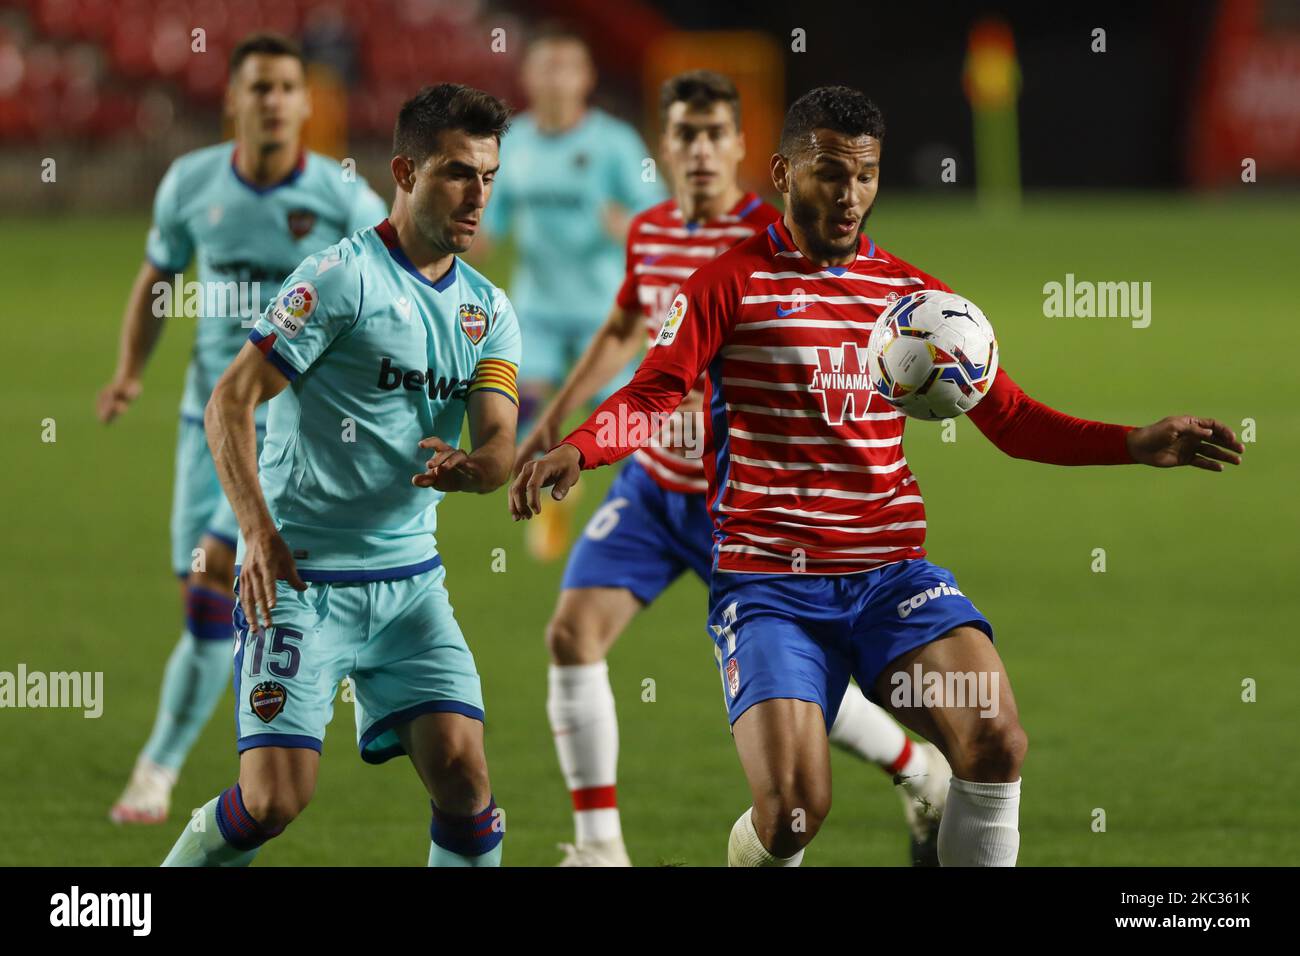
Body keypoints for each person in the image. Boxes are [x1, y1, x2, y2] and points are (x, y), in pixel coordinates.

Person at [511, 85, 1244, 866]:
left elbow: (1014, 420)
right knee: (793, 813)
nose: (850, 193)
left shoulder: (915, 303)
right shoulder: (727, 283)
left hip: (892, 581)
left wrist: (1132, 441)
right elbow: (656, 390)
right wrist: (580, 447)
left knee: (995, 741)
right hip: (770, 588)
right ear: (784, 174)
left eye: (866, 175)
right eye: (831, 172)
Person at [517, 71, 950, 867]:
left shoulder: (779, 233)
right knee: (571, 635)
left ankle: (914, 765)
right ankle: (600, 848)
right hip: (651, 487)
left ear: (747, 149)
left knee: (798, 682)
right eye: (686, 133)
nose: (702, 150)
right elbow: (626, 329)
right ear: (664, 145)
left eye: (717, 134)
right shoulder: (648, 233)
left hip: (740, 503)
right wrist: (565, 419)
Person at [162, 83, 519, 866]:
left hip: (410, 583)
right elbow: (231, 401)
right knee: (271, 801)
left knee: (465, 777)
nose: (477, 196)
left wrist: (475, 472)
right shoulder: (338, 279)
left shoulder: (487, 310)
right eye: (459, 173)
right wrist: (255, 533)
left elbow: (498, 441)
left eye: (489, 177)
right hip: (298, 578)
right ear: (404, 169)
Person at [98, 32, 387, 825]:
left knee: (214, 580)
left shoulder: (342, 199)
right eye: (257, 87)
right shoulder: (190, 184)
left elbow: (393, 281)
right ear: (234, 99)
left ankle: (162, 771)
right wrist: (129, 371)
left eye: (286, 87)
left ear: (304, 101)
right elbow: (156, 278)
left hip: (290, 433)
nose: (272, 101)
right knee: (210, 596)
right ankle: (311, 707)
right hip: (204, 426)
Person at [480, 24, 666, 559]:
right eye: (546, 65)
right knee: (532, 408)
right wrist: (476, 234)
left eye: (568, 66)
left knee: (624, 427)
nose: (557, 77)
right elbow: (495, 216)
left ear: (586, 77)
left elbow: (659, 221)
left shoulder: (615, 143)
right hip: (536, 308)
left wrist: (626, 225)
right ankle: (555, 501)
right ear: (528, 76)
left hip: (603, 312)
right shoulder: (512, 144)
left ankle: (642, 522)